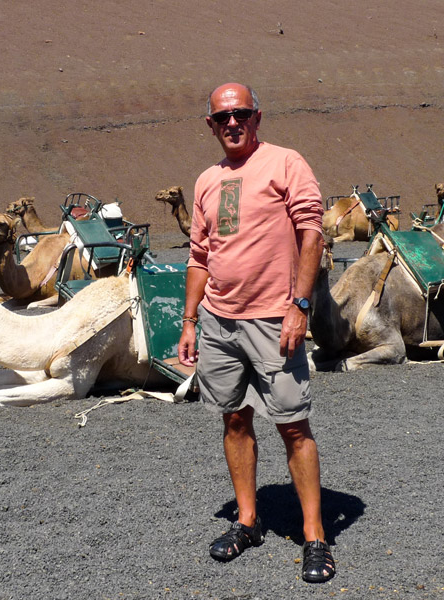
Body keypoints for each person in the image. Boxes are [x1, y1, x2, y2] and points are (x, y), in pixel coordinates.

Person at [177, 82, 336, 583]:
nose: (232, 123)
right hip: (220, 322)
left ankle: (315, 534)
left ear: (257, 117)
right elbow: (200, 255)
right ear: (210, 124)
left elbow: (312, 231)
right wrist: (189, 319)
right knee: (234, 419)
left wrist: (300, 305)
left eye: (241, 113)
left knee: (292, 423)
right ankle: (248, 520)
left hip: (275, 319)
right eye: (223, 117)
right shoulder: (206, 180)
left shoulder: (287, 163)